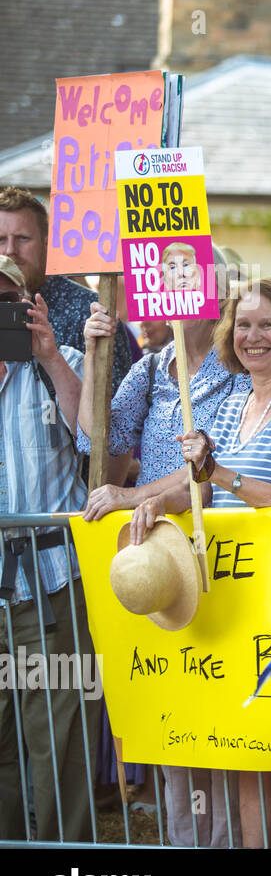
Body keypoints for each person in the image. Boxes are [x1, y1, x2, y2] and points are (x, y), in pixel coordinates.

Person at [129, 277, 271, 849]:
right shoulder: (227, 404)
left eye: (267, 324)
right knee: (244, 741)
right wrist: (151, 501)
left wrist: (216, 471)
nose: (253, 336)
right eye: (243, 324)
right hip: (227, 600)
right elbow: (193, 487)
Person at [78, 251, 251, 846]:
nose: (177, 287)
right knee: (174, 713)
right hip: (158, 560)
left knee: (224, 716)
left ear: (222, 294)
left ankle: (228, 839)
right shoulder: (151, 368)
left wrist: (128, 497)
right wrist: (94, 355)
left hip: (221, 556)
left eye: (192, 277)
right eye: (169, 276)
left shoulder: (244, 374)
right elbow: (97, 436)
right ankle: (184, 839)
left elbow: (203, 474)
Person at [0, 256, 100, 842]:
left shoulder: (63, 364)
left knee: (60, 742)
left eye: (7, 297)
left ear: (30, 301)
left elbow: (98, 440)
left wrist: (53, 356)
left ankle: (70, 867)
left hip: (51, 582)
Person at [0, 186, 133, 393]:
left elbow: (116, 408)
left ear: (47, 244)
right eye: (1, 240)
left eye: (22, 238)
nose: (10, 250)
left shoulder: (89, 310)